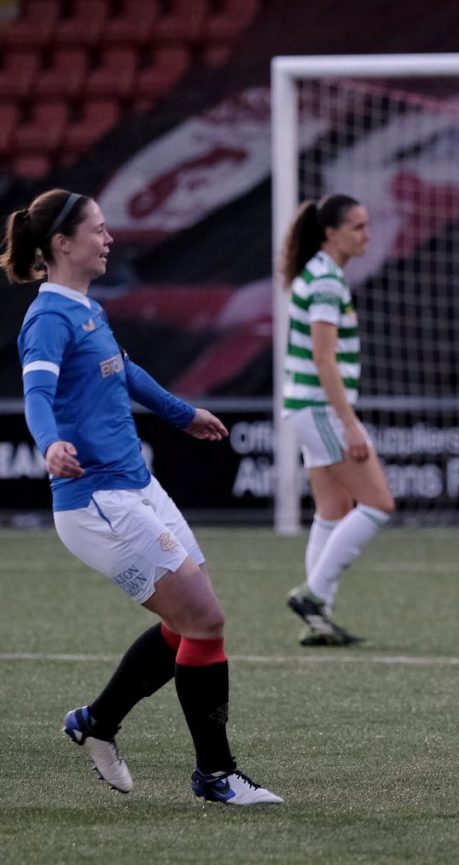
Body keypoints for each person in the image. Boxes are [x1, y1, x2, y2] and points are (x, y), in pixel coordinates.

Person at [5, 189, 280, 804]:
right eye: (98, 231)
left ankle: (95, 723)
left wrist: (182, 414)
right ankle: (215, 774)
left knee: (190, 628)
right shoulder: (48, 318)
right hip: (98, 504)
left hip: (139, 488)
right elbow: (36, 397)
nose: (109, 239)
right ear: (62, 243)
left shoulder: (86, 308)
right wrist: (49, 443)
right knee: (204, 620)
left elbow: (125, 371)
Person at [279, 194, 395, 646]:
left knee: (333, 510)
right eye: (358, 227)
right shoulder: (326, 279)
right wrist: (349, 424)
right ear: (331, 232)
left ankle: (318, 617)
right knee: (379, 503)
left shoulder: (321, 274)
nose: (367, 235)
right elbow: (324, 360)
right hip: (319, 407)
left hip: (305, 407)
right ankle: (314, 595)